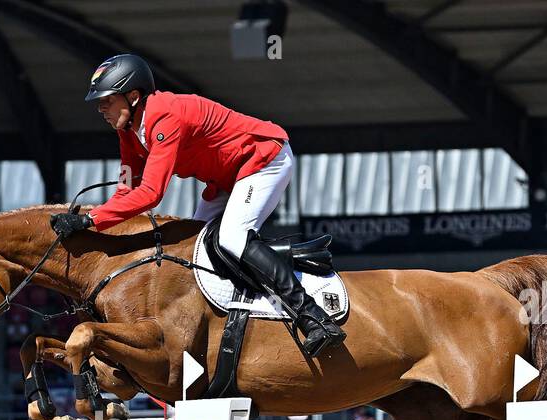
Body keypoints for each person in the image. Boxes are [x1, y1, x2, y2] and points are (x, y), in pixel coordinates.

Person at [49, 54, 345, 358]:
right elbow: (128, 190)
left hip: (263, 159)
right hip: (226, 178)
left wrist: (92, 220)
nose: (101, 109)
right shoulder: (128, 132)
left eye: (107, 101)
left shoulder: (165, 117)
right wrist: (88, 219)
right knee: (190, 248)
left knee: (232, 238)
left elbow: (151, 194)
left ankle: (314, 317)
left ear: (133, 97)